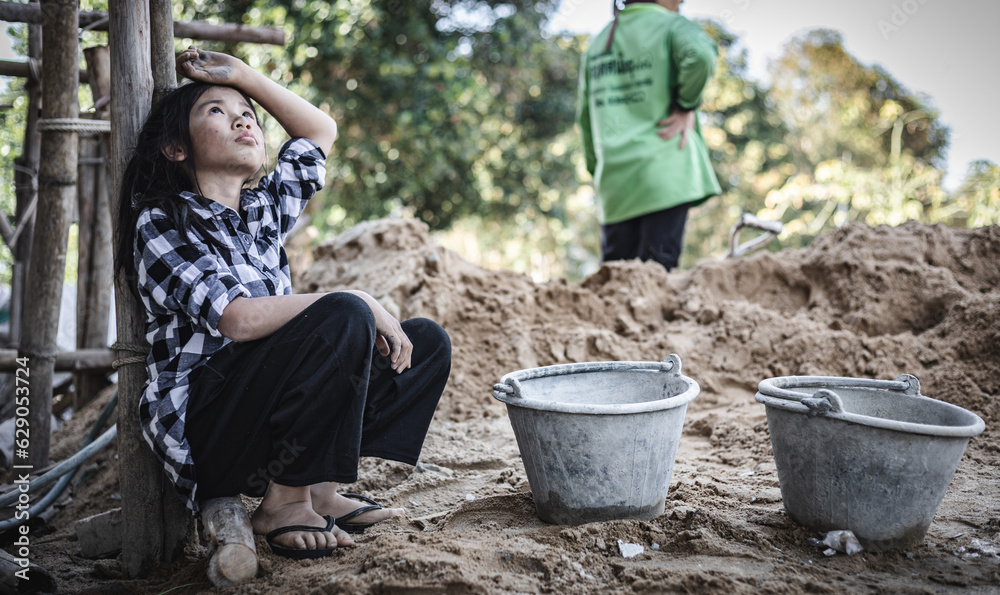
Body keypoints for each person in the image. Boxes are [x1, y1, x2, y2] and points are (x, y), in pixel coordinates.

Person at [114, 47, 452, 559]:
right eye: (217, 112)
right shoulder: (163, 221)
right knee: (345, 313)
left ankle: (317, 489)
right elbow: (238, 318)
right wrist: (356, 297)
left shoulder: (261, 211)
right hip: (212, 433)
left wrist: (245, 77)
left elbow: (319, 132)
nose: (244, 121)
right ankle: (283, 504)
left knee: (424, 341)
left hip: (268, 427)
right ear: (175, 149)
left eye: (247, 114)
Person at [577, 0, 722, 271]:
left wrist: (599, 172)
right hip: (664, 175)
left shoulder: (597, 45)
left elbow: (585, 119)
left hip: (615, 188)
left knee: (614, 287)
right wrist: (685, 104)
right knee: (654, 281)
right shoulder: (671, 26)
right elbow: (701, 55)